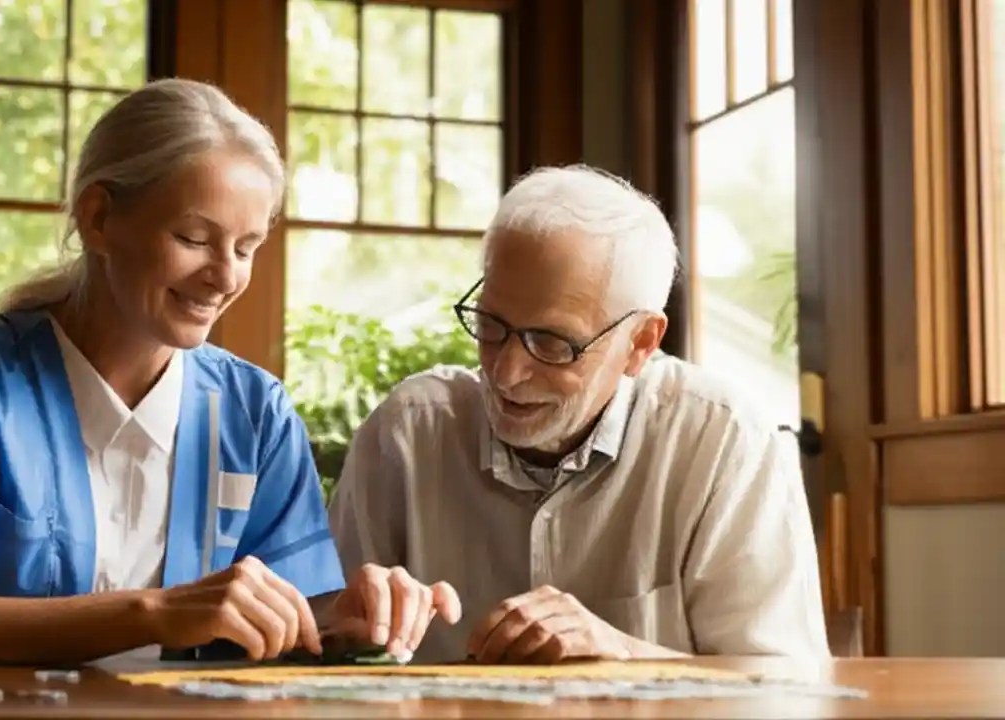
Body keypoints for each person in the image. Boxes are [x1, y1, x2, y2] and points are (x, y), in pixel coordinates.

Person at [0, 78, 459, 665]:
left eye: (246, 247)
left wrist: (345, 620)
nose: (226, 275)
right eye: (195, 239)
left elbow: (294, 621)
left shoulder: (255, 413)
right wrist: (153, 613)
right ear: (98, 219)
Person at [329, 164, 829, 664]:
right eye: (491, 324)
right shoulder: (408, 434)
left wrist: (624, 654)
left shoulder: (723, 439)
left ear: (640, 343)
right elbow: (318, 647)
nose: (506, 373)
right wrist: (344, 635)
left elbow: (781, 685)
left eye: (551, 342)